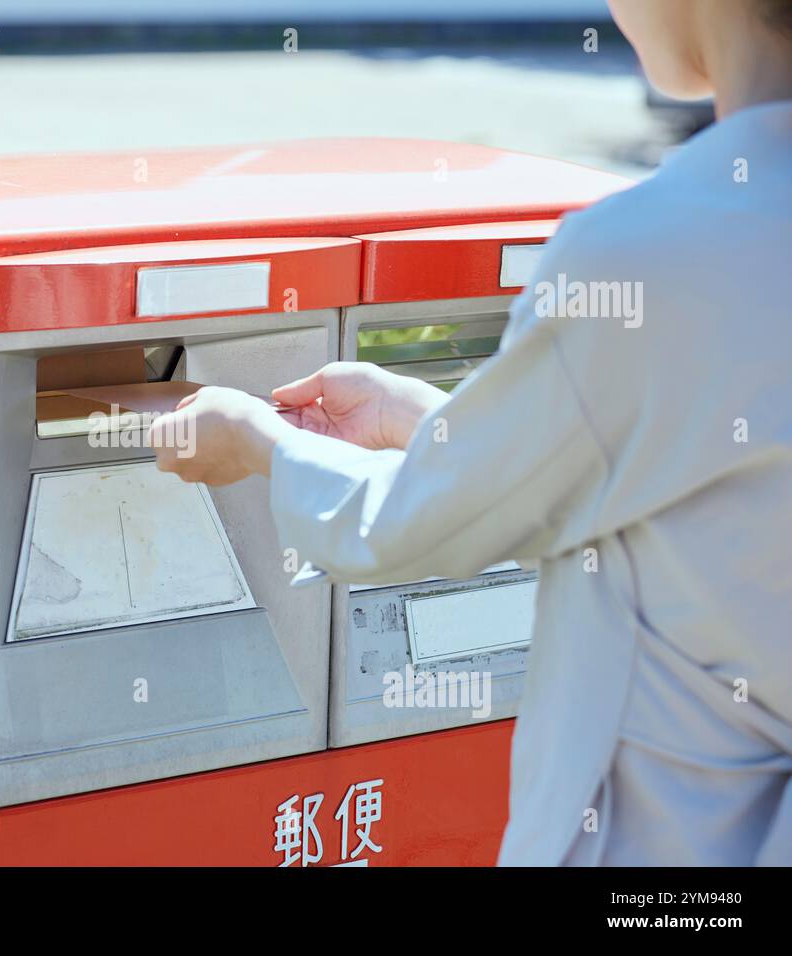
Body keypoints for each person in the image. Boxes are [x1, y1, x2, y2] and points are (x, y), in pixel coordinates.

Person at [149, 0, 792, 865]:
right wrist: (422, 420)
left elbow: (410, 524)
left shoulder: (647, 252)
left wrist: (256, 440)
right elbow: (670, 492)